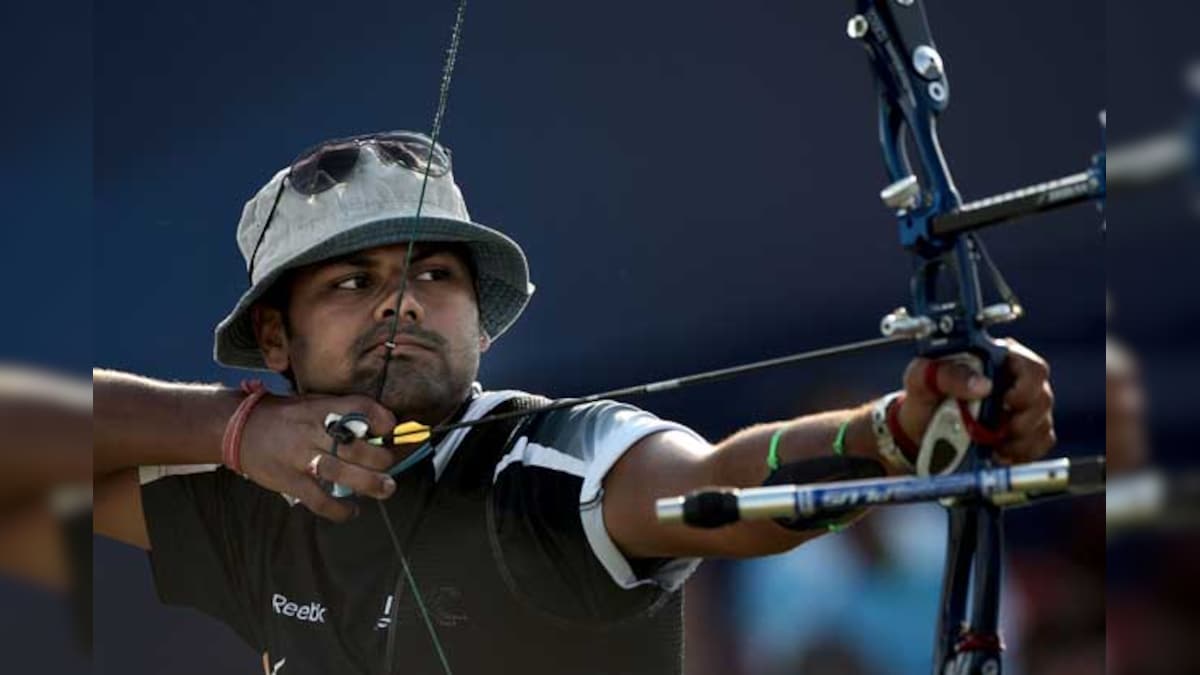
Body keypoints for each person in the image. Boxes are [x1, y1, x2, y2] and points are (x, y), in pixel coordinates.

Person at [93, 131, 1057, 675]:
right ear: (275, 340)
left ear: (479, 317)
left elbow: (715, 484)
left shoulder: (548, 464)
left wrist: (896, 431)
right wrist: (236, 429)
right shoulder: (255, 499)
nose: (400, 298)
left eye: (433, 270)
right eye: (350, 282)